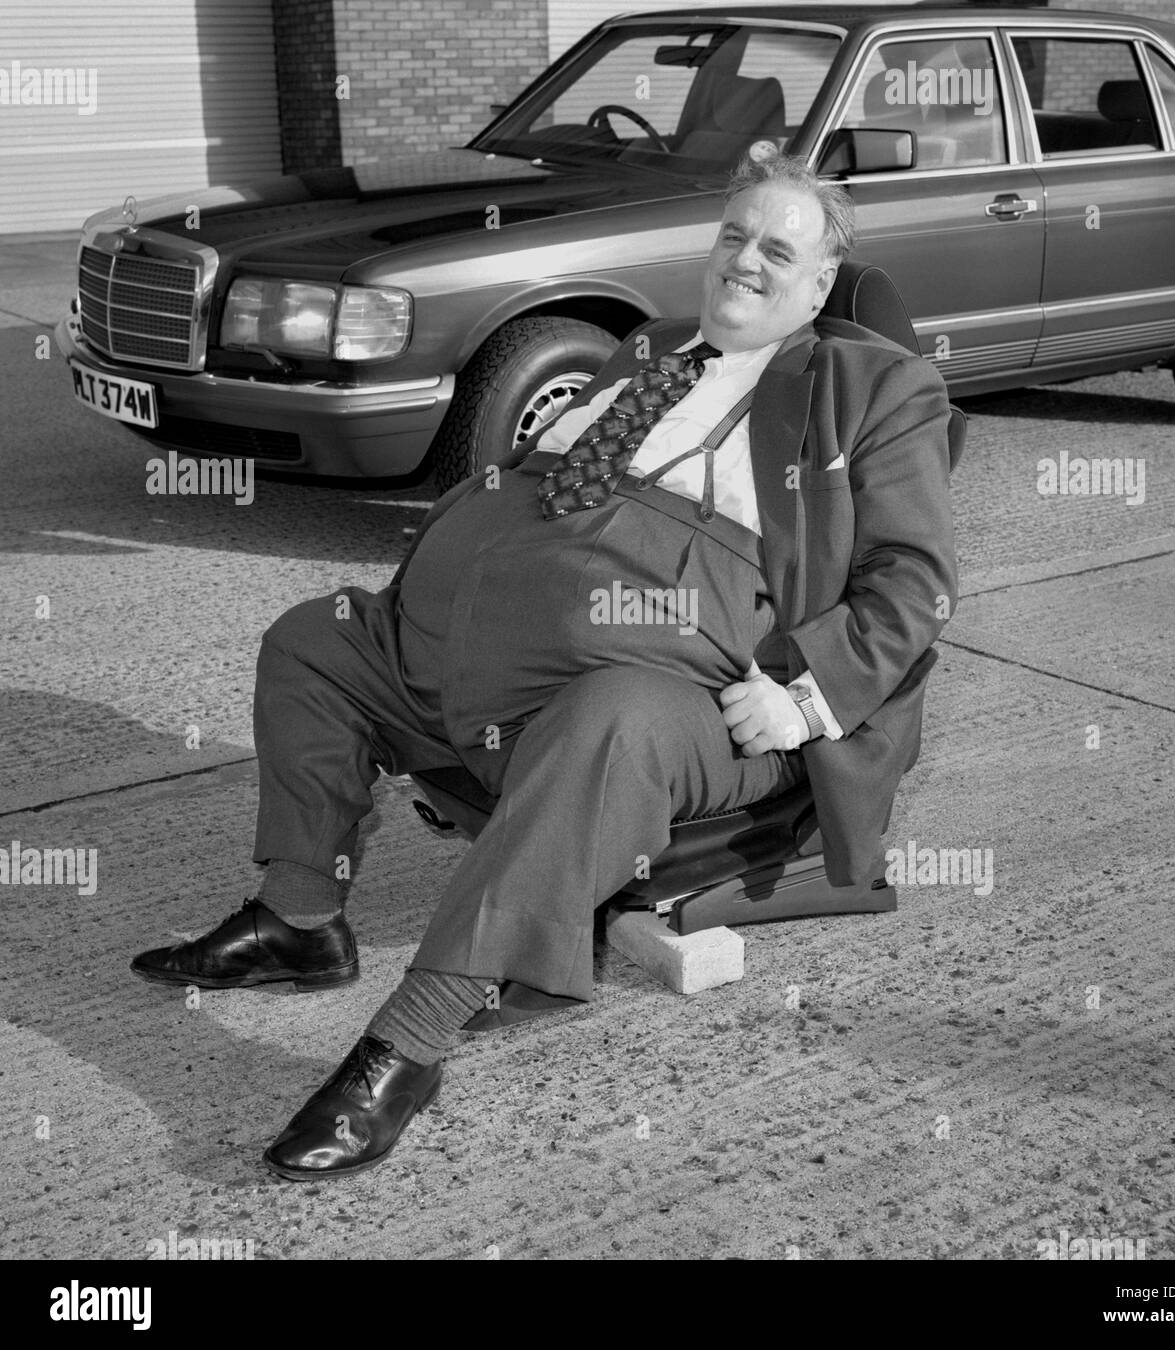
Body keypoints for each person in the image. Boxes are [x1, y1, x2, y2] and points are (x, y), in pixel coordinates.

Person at [130, 151, 957, 1180]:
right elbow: (539, 482)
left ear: (822, 282)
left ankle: (411, 1040)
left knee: (606, 719)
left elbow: (914, 580)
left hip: (696, 702)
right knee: (315, 638)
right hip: (472, 663)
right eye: (734, 237)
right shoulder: (650, 346)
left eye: (777, 250)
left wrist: (802, 697)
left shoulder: (872, 385)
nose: (746, 261)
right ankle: (300, 915)